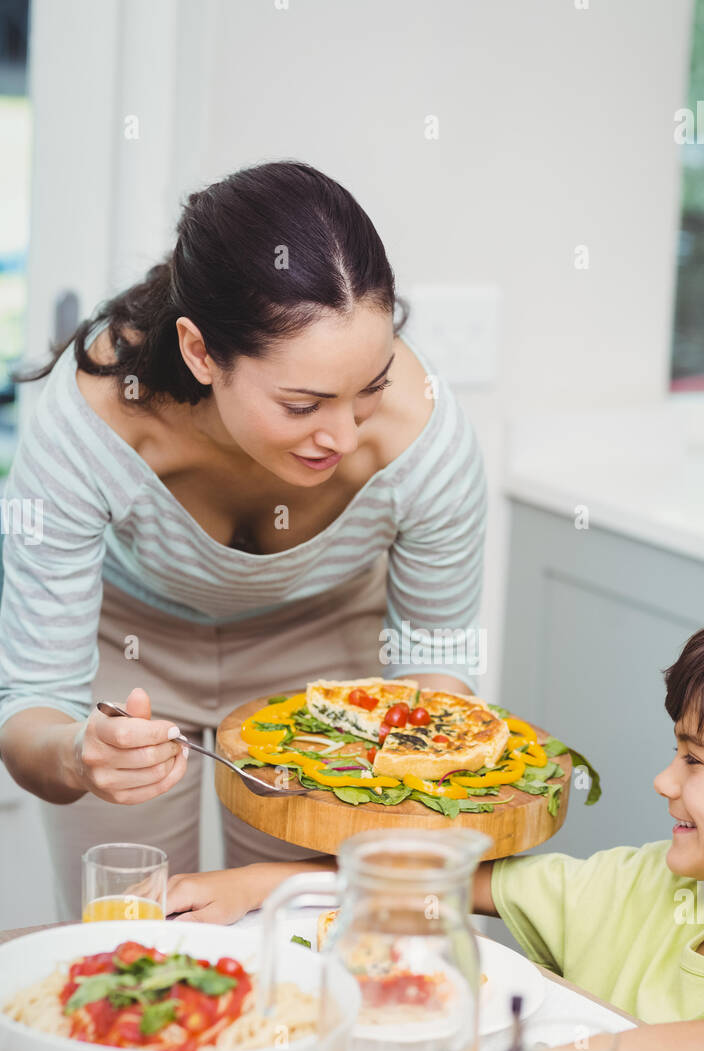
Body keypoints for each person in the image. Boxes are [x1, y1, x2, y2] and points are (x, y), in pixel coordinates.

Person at [164, 613, 704, 1051]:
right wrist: (264, 883)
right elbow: (435, 880)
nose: (662, 781)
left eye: (693, 761)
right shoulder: (650, 884)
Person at [0, 161, 486, 916]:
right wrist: (79, 753)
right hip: (127, 659)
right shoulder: (90, 423)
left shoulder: (426, 442)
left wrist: (402, 771)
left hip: (326, 663)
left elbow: (439, 665)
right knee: (133, 939)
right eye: (302, 404)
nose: (344, 434)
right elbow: (33, 704)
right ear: (200, 353)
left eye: (372, 386)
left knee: (306, 939)